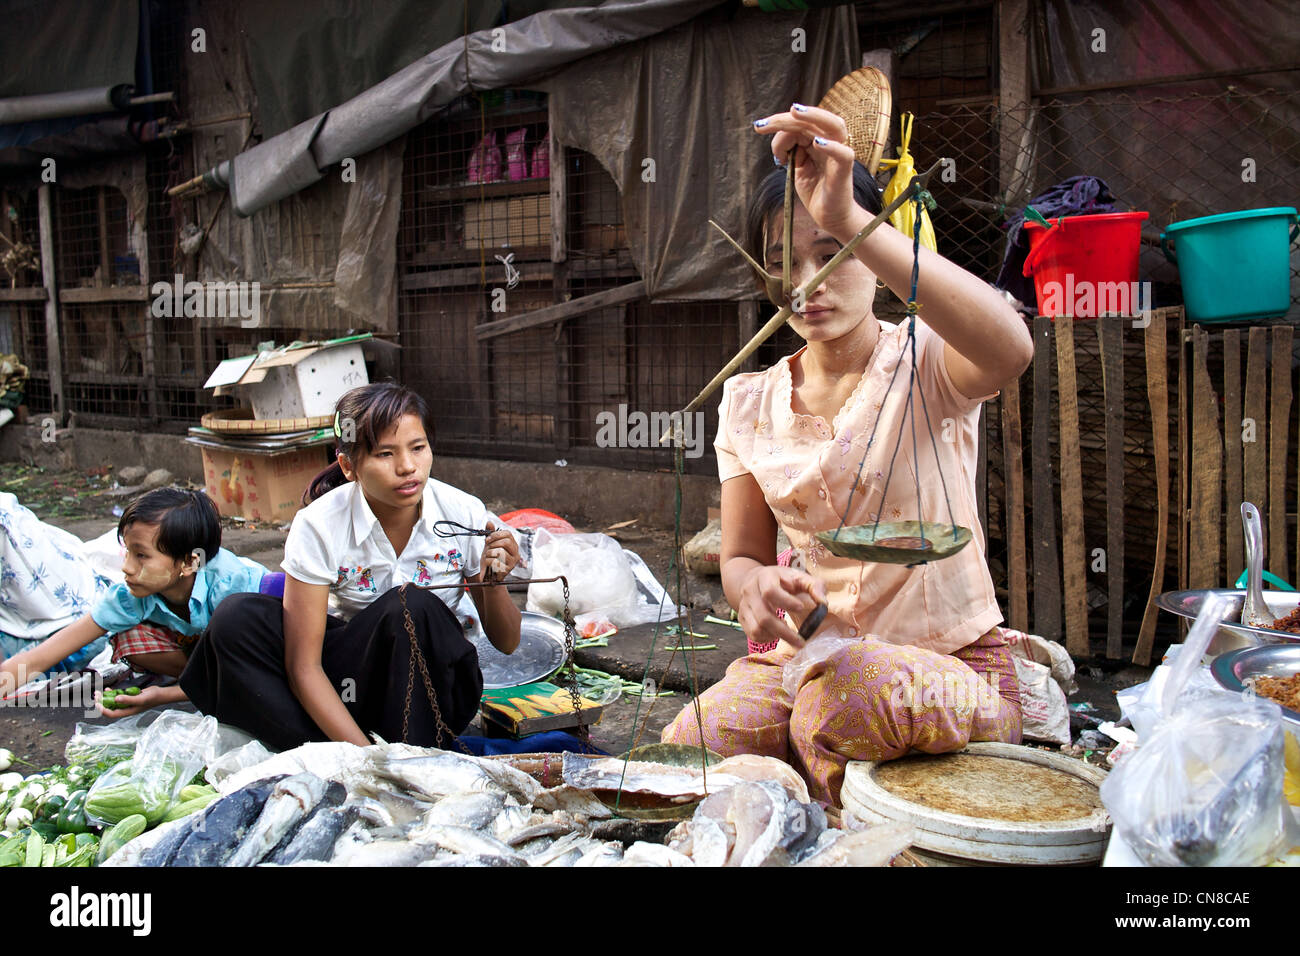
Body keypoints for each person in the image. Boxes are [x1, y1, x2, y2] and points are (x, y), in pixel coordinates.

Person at [662, 104, 1035, 806]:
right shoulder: (749, 401)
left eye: (830, 252)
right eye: (780, 263)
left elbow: (1012, 347)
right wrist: (752, 591)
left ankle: (849, 839)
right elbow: (742, 554)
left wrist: (847, 216)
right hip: (803, 657)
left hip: (945, 662)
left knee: (843, 704)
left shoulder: (928, 360)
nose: (806, 283)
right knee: (690, 753)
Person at [181, 382, 521, 751]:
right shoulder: (319, 524)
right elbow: (304, 666)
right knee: (236, 619)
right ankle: (341, 746)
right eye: (385, 454)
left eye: (418, 448)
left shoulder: (462, 513)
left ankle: (410, 750)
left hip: (433, 691)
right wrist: (365, 757)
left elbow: (507, 642)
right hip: (353, 687)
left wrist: (493, 580)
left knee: (412, 605)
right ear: (348, 465)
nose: (408, 467)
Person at [0, 488, 268, 717]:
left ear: (189, 562)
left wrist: (160, 696)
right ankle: (201, 680)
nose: (126, 567)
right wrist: (12, 673)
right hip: (203, 648)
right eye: (127, 552)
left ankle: (209, 683)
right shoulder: (133, 593)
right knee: (127, 637)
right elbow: (63, 643)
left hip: (255, 645)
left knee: (245, 672)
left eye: (141, 555)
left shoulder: (231, 586)